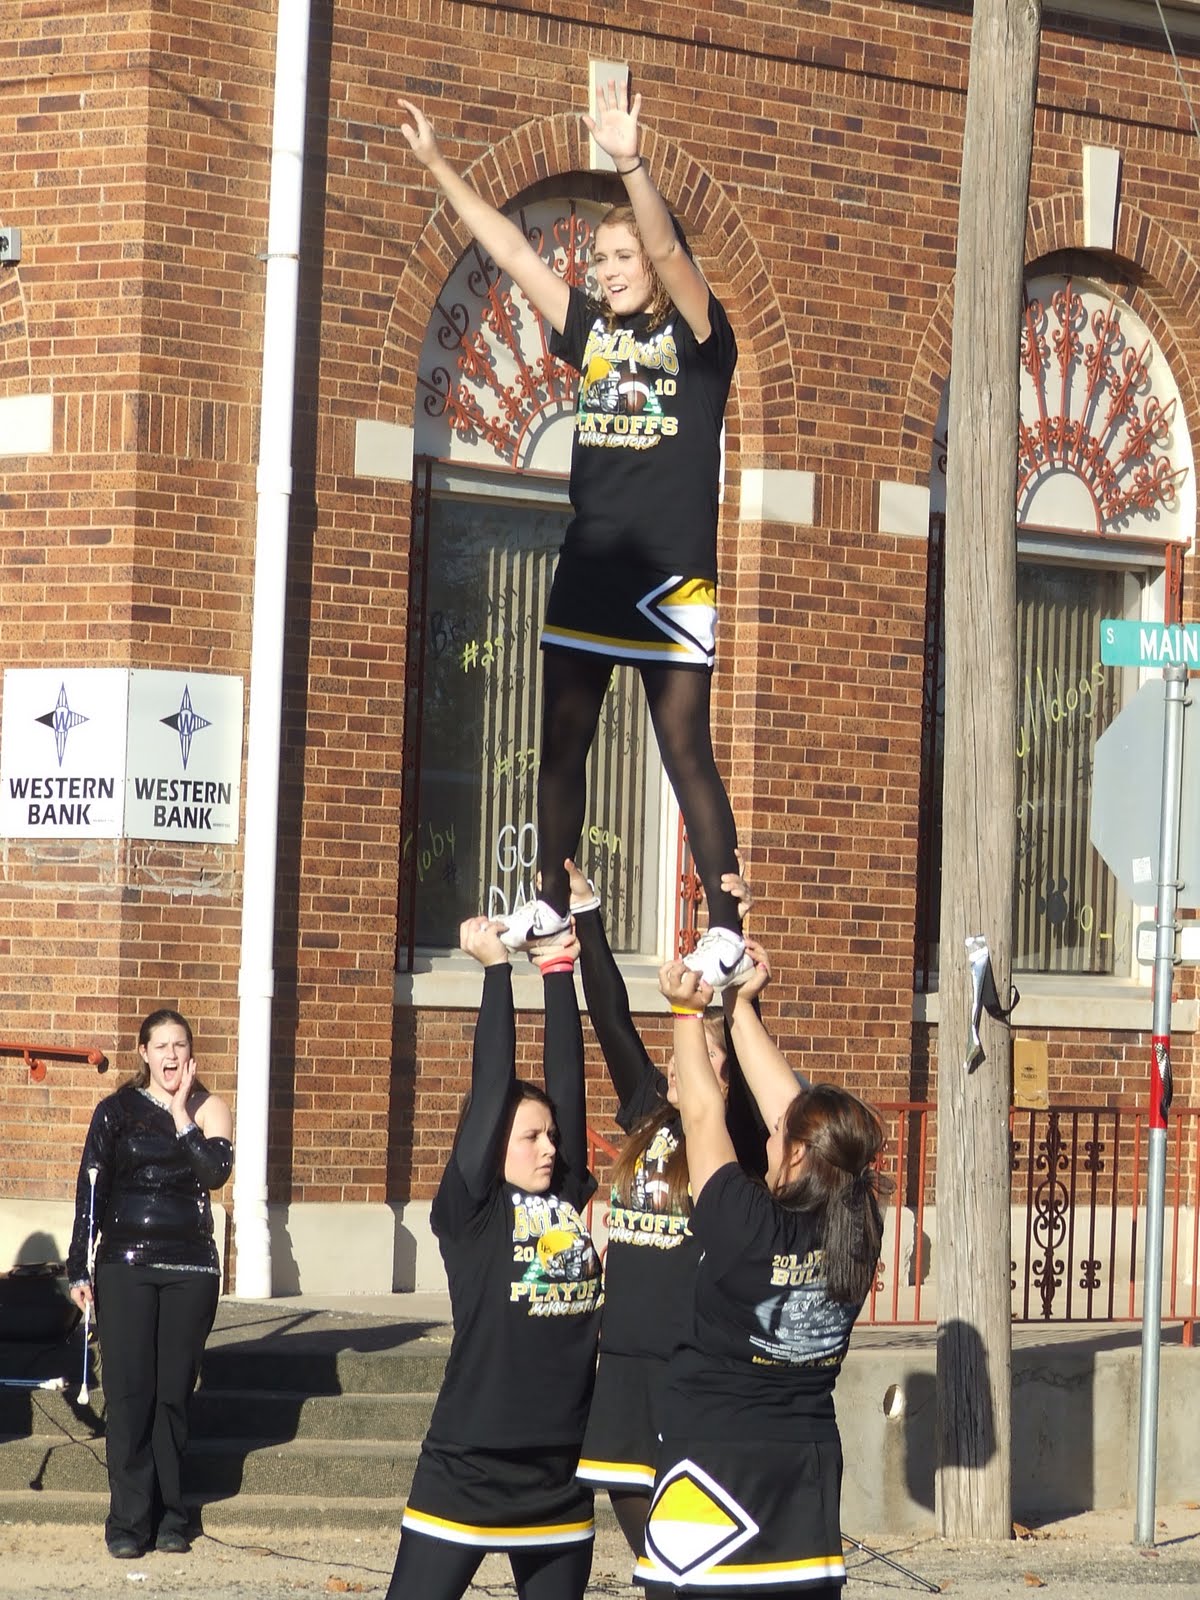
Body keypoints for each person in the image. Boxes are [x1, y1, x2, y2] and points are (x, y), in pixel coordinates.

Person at [397, 81, 750, 989]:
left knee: (683, 750)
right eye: (600, 258)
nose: (608, 268)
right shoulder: (590, 332)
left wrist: (630, 162)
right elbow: (512, 250)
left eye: (620, 255)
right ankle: (552, 896)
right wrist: (440, 166)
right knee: (563, 739)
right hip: (590, 565)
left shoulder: (703, 340)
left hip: (669, 573)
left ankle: (723, 925)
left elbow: (671, 246)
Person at [640, 944, 888, 1597]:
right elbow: (796, 1112)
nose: (769, 1137)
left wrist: (684, 1014)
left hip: (713, 1466)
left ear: (801, 1153)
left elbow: (700, 1111)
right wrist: (740, 1006)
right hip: (803, 1476)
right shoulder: (859, 1223)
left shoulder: (747, 1224)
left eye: (779, 1136)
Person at [384, 916, 603, 1600]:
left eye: (552, 1137)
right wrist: (496, 972)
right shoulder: (472, 1208)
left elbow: (567, 1081)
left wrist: (560, 972)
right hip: (469, 1467)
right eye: (531, 1136)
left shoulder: (564, 1194)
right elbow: (491, 1085)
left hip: (559, 1472)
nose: (548, 1147)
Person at [565, 858, 759, 1557]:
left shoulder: (736, 1140)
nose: (679, 1068)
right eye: (679, 1057)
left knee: (692, 1547)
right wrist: (586, 913)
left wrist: (733, 924)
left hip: (690, 1364)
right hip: (622, 1360)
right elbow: (613, 1018)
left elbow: (739, 1022)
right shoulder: (649, 1111)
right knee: (648, 1551)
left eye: (700, 1057)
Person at [66, 1009, 234, 1560]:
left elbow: (213, 1173)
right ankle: (128, 1519)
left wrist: (182, 1112)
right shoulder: (114, 1112)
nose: (169, 1055)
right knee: (131, 1393)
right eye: (160, 1045)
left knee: (171, 1395)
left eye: (179, 1045)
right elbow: (91, 1190)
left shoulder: (211, 1109)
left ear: (191, 1053)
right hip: (125, 1265)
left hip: (190, 1270)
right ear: (143, 1052)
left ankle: (171, 1515)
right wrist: (77, 1268)